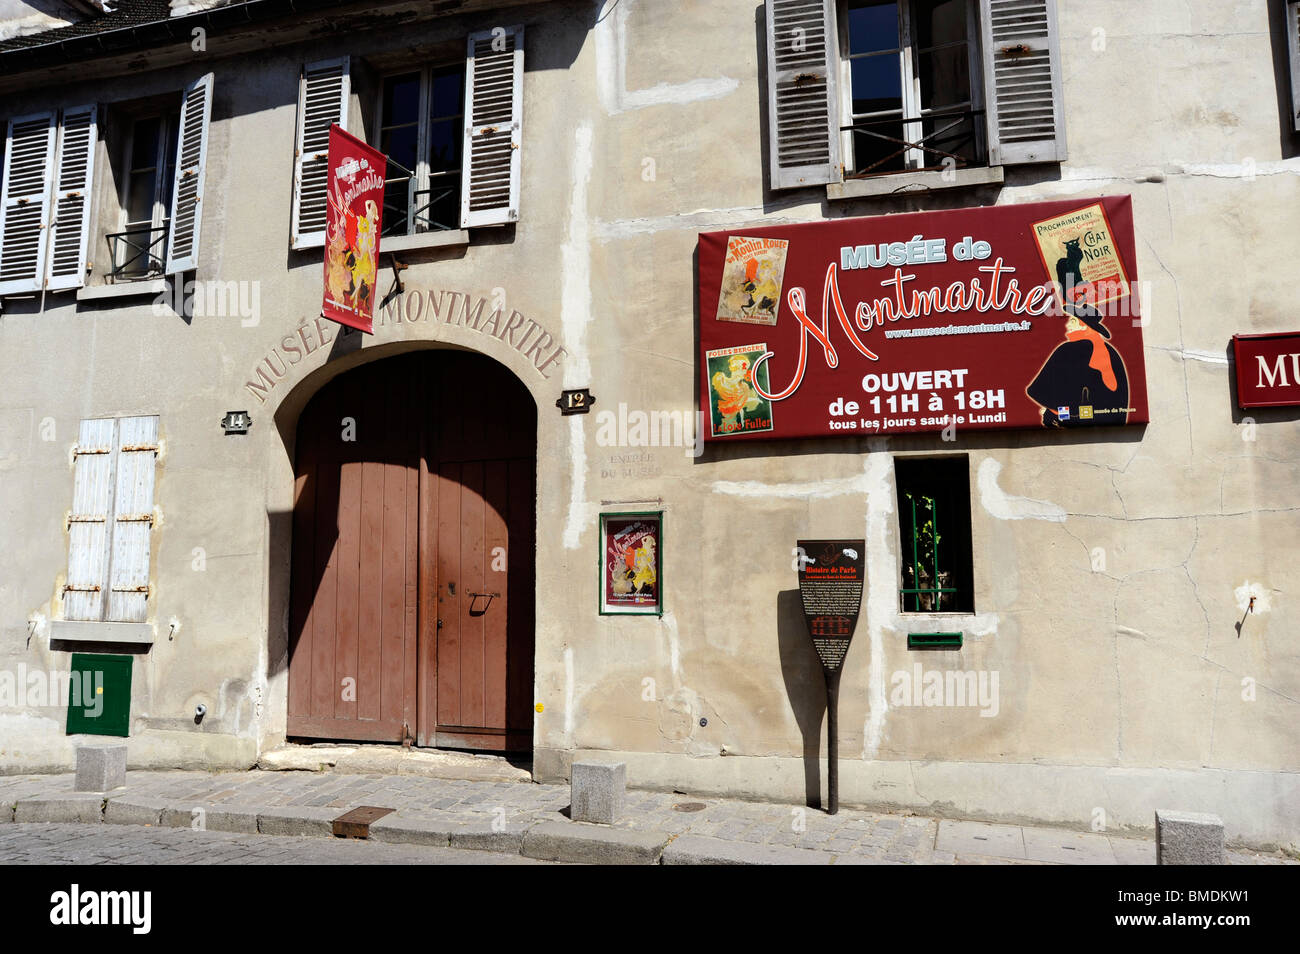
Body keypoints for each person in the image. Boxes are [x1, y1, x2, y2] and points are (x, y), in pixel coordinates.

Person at [1026, 303, 1130, 427]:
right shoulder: (1111, 351)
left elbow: (1047, 393)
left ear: (1084, 326)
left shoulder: (1070, 349)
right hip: (1111, 418)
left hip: (1081, 420)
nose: (1067, 325)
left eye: (1073, 321)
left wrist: (1052, 413)